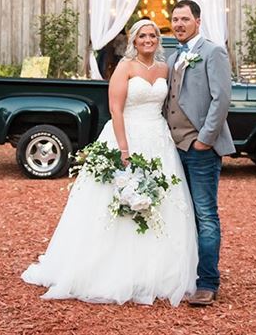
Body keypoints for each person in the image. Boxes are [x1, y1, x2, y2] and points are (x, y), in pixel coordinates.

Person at [21, 19, 198, 305]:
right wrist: (124, 149)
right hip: (126, 136)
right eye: (143, 36)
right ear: (134, 40)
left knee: (163, 202)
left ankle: (157, 271)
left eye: (153, 35)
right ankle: (107, 271)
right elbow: (116, 110)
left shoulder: (165, 69)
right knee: (113, 203)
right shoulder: (125, 68)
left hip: (159, 139)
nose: (148, 40)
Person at [165, 0, 234, 307]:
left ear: (197, 21)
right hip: (172, 148)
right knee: (179, 215)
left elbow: (221, 99)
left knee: (205, 214)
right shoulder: (172, 57)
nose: (178, 24)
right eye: (175, 19)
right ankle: (180, 274)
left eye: (184, 19)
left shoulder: (213, 52)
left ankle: (207, 281)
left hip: (199, 148)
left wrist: (204, 140)